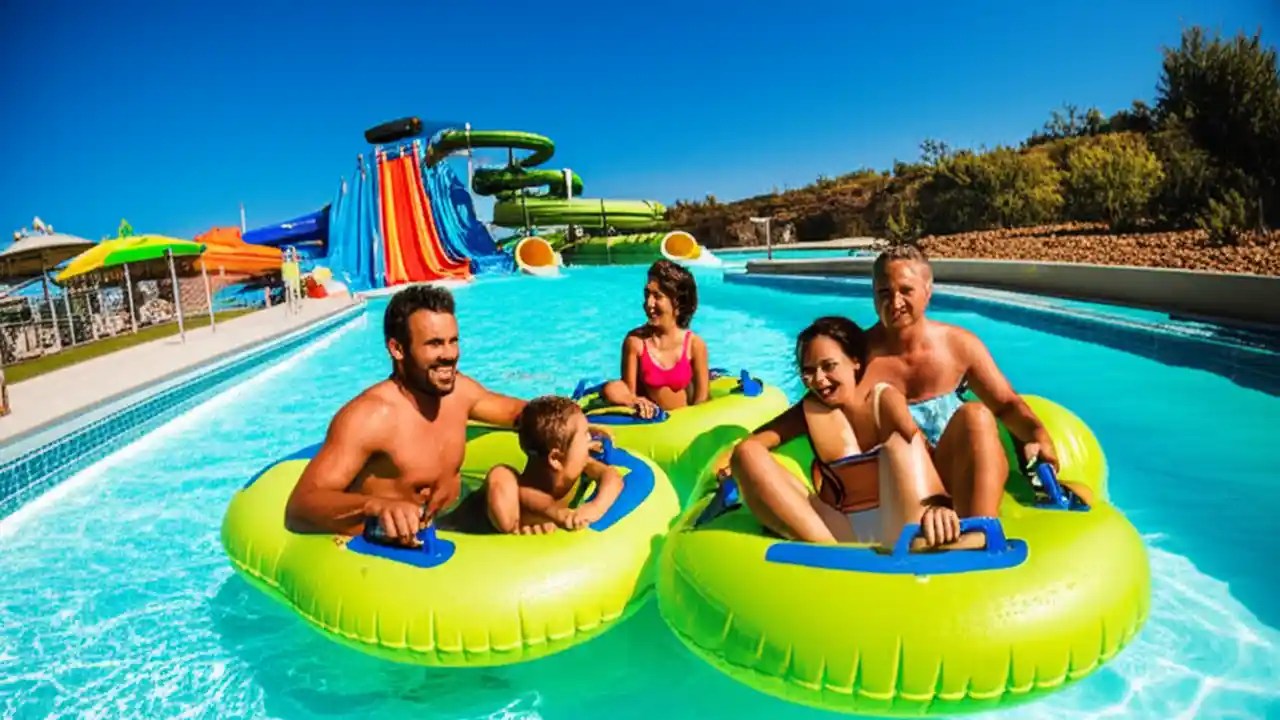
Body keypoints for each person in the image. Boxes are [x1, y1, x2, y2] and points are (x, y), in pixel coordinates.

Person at [285, 285, 527, 546]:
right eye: (435, 344)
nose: (449, 355)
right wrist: (376, 506)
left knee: (505, 482)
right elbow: (301, 506)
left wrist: (570, 420)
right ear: (397, 349)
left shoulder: (460, 392)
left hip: (459, 519)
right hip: (404, 545)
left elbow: (516, 412)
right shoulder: (370, 416)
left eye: (453, 341)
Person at [728, 316, 973, 549]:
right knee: (747, 453)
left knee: (896, 447)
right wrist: (726, 473)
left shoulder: (882, 399)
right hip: (838, 533)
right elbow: (756, 442)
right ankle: (833, 556)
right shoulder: (809, 411)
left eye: (828, 366)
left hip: (903, 524)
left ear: (855, 362)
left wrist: (941, 506)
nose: (819, 380)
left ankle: (913, 546)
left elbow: (918, 454)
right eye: (809, 371)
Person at [858, 244, 1064, 519]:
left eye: (906, 290)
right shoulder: (856, 358)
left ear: (927, 291)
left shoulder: (958, 346)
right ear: (873, 294)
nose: (894, 303)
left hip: (959, 470)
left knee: (976, 415)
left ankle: (979, 530)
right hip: (902, 484)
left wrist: (1039, 436)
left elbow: (1005, 405)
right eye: (884, 292)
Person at [443, 395, 623, 535]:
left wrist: (593, 509)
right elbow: (518, 506)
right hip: (450, 527)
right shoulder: (508, 482)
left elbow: (612, 477)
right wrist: (558, 515)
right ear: (556, 458)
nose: (590, 440)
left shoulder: (578, 466)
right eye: (585, 435)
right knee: (503, 474)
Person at [599, 260, 710, 419]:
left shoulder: (694, 345)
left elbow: (702, 400)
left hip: (688, 425)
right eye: (647, 295)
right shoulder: (635, 343)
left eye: (657, 296)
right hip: (656, 427)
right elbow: (628, 390)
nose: (648, 303)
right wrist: (630, 399)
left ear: (677, 303)